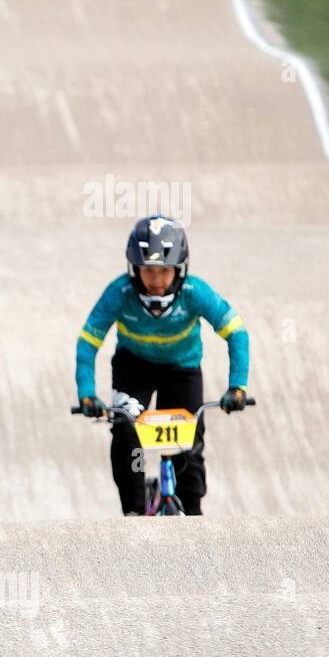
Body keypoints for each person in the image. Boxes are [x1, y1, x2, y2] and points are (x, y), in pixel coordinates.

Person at [76, 215, 250, 515]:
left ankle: (192, 517)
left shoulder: (195, 293)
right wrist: (87, 394)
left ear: (179, 270)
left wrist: (237, 386)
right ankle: (134, 513)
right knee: (126, 431)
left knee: (188, 448)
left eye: (164, 271)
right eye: (148, 271)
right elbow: (88, 342)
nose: (156, 280)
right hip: (134, 368)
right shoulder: (120, 293)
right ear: (135, 270)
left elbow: (237, 333)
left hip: (182, 371)